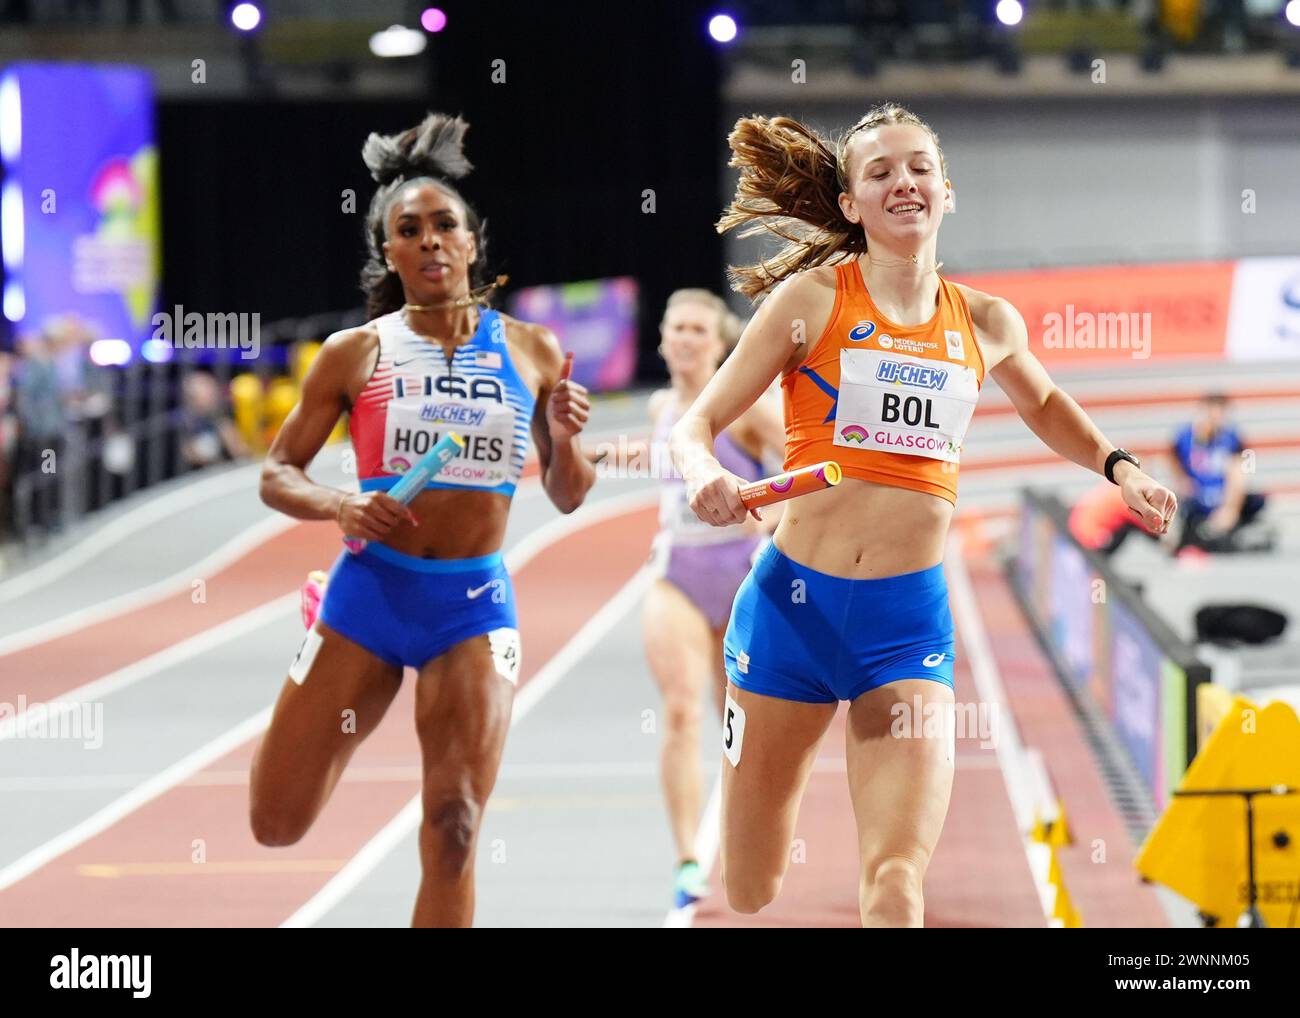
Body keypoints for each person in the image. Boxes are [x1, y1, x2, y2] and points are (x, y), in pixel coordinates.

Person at [669, 104, 1178, 927]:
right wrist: (700, 472)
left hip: (904, 627)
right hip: (787, 616)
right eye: (879, 172)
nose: (903, 182)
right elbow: (699, 422)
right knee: (751, 885)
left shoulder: (986, 321)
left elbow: (1044, 402)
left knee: (898, 884)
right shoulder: (809, 301)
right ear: (850, 204)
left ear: (946, 189)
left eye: (918, 168)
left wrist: (1119, 468)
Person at [248, 113, 595, 927]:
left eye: (446, 226)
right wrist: (341, 504)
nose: (432, 241)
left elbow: (571, 494)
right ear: (391, 253)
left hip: (470, 609)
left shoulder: (533, 349)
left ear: (474, 243)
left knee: (456, 826)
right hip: (369, 596)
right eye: (411, 230)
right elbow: (275, 472)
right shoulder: (354, 352)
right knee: (276, 822)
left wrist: (569, 440)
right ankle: (315, 622)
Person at [641, 289, 784, 908]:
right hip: (676, 572)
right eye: (678, 328)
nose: (687, 338)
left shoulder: (746, 407)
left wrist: (769, 517)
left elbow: (801, 469)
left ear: (719, 341)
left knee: (739, 724)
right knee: (678, 711)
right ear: (663, 337)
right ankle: (686, 859)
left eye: (700, 328)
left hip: (741, 576)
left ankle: (744, 844)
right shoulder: (659, 407)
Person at [1169, 392, 1269, 553]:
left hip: (1223, 497)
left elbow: (1239, 473)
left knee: (1258, 499)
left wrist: (1231, 508)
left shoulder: (1232, 438)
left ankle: (1230, 530)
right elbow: (1172, 459)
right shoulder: (1184, 436)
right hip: (1197, 500)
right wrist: (1183, 481)